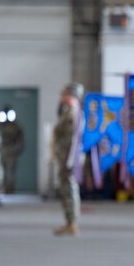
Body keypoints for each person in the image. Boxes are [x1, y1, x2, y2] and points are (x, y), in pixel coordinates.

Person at [52, 84, 83, 235]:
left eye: (64, 95)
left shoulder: (73, 114)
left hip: (68, 159)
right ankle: (69, 222)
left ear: (71, 96)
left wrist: (71, 161)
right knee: (66, 189)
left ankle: (72, 223)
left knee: (69, 189)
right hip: (65, 157)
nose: (61, 97)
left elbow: (74, 139)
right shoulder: (68, 112)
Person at [0, 107, 23, 195]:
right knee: (2, 171)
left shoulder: (16, 126)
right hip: (2, 150)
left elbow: (20, 139)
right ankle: (3, 189)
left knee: (11, 171)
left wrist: (17, 149)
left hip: (11, 150)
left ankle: (11, 189)